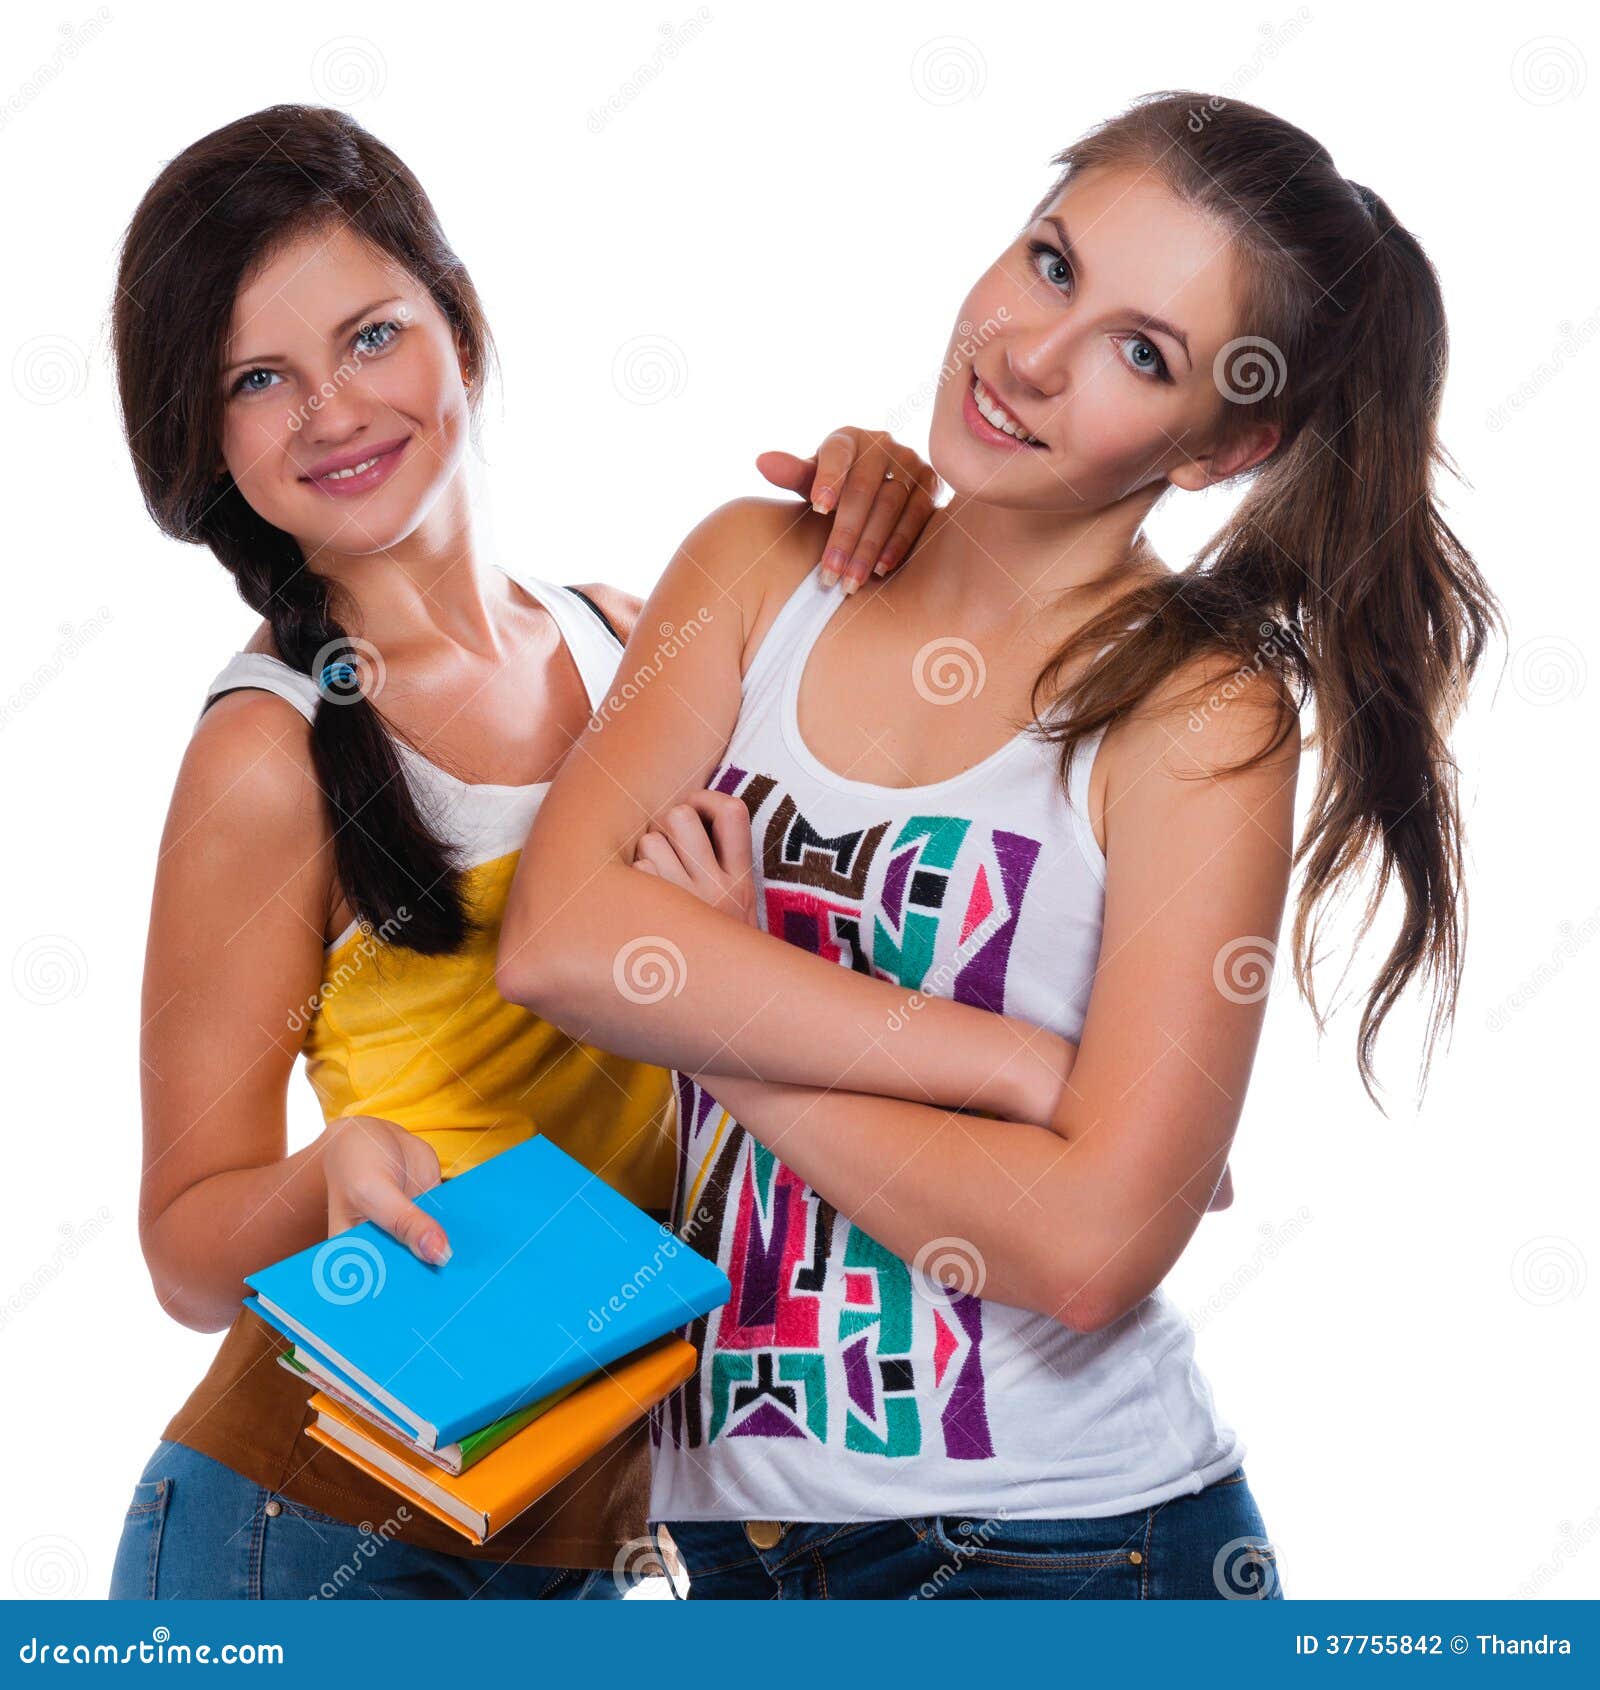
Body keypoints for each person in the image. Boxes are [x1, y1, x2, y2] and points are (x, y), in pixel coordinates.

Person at [496, 89, 1503, 1599]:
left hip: (1060, 1550)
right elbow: (560, 943)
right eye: (1050, 262)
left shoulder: (1199, 710)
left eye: (1143, 352)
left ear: (1230, 443)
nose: (1033, 354)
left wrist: (731, 1017)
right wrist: (1019, 1075)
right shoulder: (756, 568)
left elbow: (1093, 1251)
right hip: (725, 1542)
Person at [106, 102, 939, 1601]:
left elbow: (921, 790)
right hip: (307, 1530)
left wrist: (888, 512)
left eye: (370, 337)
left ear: (461, 332)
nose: (331, 412)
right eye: (258, 380)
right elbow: (183, 1242)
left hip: (597, 1536)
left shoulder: (637, 639)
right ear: (209, 437)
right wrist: (326, 1183)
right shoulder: (266, 754)